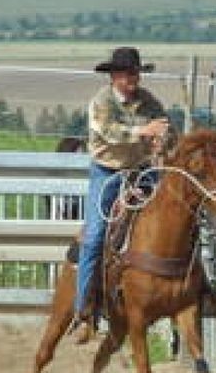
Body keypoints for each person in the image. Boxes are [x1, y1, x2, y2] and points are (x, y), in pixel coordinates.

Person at [72, 46, 172, 340]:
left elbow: (166, 129)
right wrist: (145, 131)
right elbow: (109, 132)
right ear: (114, 76)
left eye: (136, 73)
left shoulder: (149, 101)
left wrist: (163, 141)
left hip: (142, 170)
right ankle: (83, 310)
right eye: (128, 74)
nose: (134, 79)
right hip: (107, 171)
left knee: (174, 215)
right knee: (94, 236)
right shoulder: (100, 102)